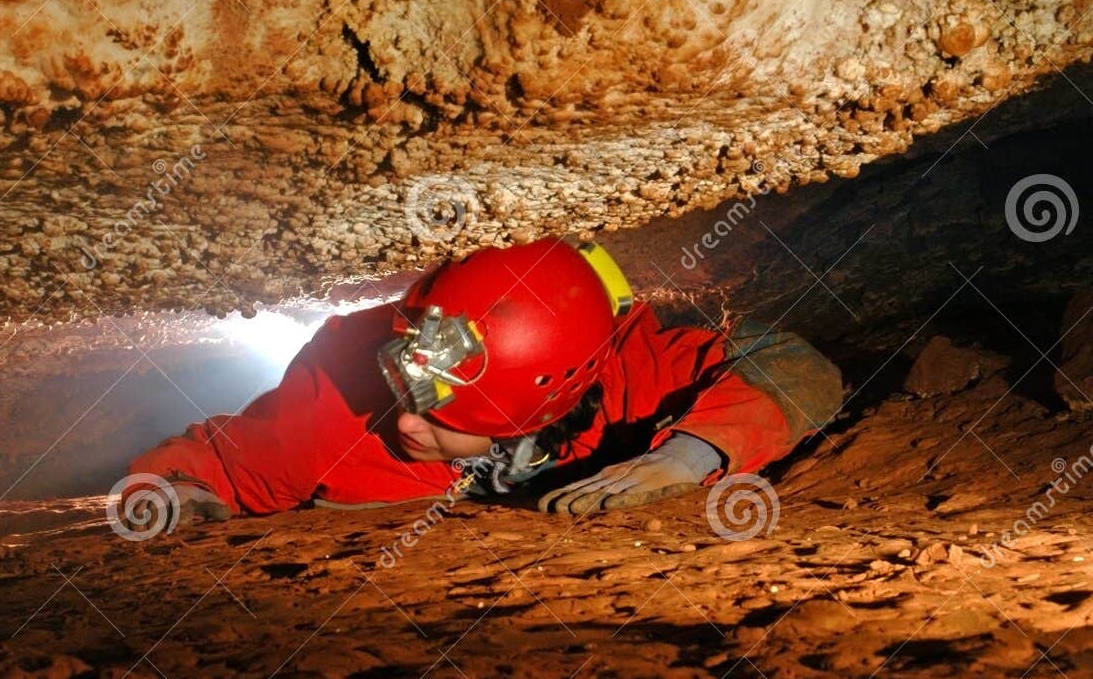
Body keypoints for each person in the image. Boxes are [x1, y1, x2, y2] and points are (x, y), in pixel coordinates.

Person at [119, 237, 842, 529]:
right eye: (404, 385)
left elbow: (793, 366)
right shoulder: (336, 412)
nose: (406, 422)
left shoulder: (619, 364)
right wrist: (170, 493)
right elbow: (229, 458)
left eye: (438, 412)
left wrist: (688, 454)